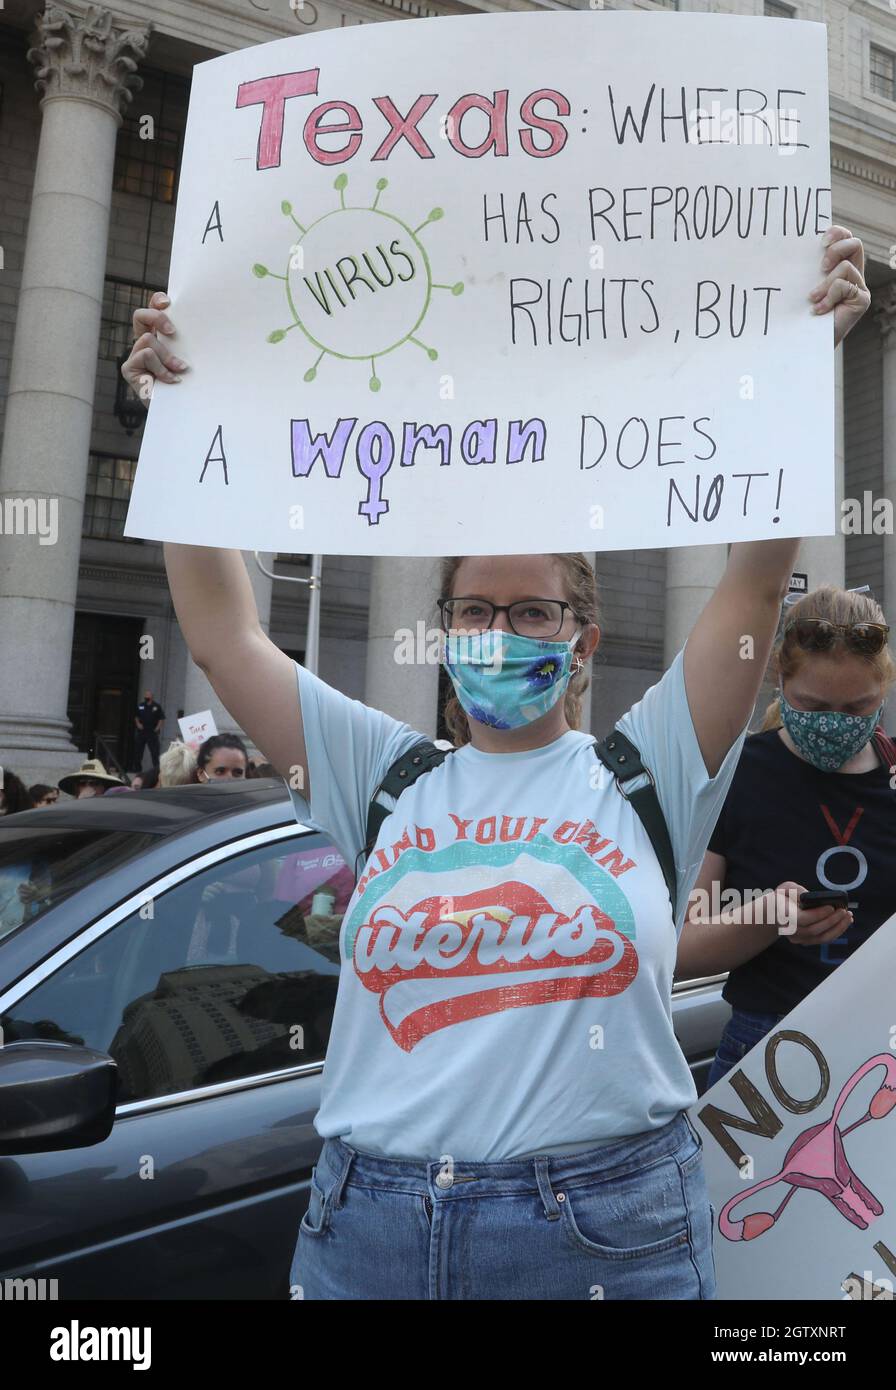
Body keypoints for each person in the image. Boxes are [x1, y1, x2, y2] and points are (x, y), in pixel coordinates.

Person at [122, 228, 869, 1301]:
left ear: (582, 637)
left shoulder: (645, 768)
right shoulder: (382, 774)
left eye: (531, 610)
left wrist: (802, 369)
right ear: (443, 628)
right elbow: (223, 637)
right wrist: (176, 419)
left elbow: (753, 589)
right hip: (365, 1228)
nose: (499, 630)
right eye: (474, 609)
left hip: (600, 1233)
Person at [676, 585, 896, 1088]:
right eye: (813, 706)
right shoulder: (735, 774)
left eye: (857, 708)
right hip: (767, 1044)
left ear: (883, 690)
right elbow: (681, 948)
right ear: (780, 680)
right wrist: (767, 919)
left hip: (884, 1040)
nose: (834, 725)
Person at [58, 759, 125, 799]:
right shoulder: (69, 808)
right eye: (82, 783)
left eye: (94, 783)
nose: (88, 788)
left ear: (104, 786)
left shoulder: (112, 808)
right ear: (77, 787)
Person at [134, 689, 165, 771]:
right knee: (138, 751)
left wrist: (157, 728)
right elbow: (136, 716)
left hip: (152, 732)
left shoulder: (156, 706)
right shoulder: (141, 705)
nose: (146, 697)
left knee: (155, 752)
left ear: (151, 696)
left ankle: (156, 770)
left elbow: (161, 718)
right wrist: (138, 724)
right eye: (145, 695)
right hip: (142, 731)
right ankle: (137, 770)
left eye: (148, 695)